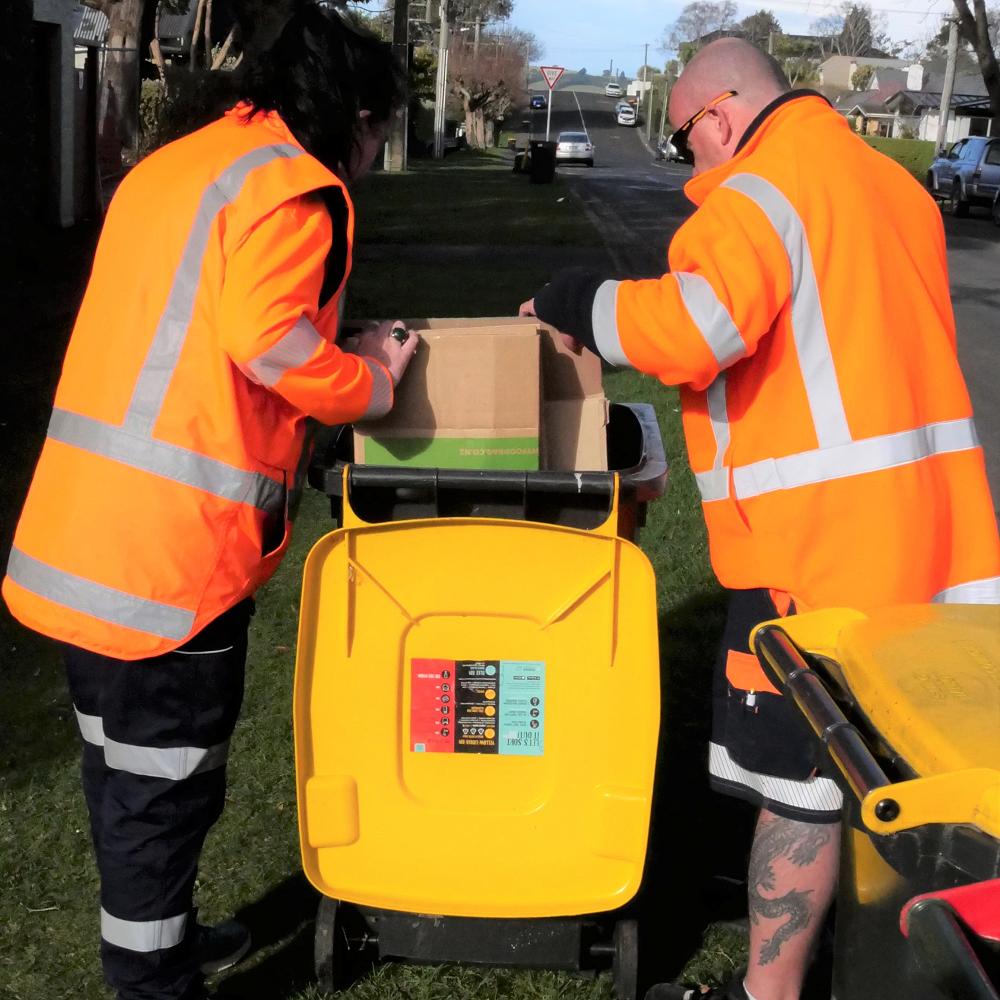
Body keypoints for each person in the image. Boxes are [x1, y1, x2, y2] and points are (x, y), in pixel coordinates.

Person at [521, 38, 999, 1000]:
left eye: (684, 137)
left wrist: (578, 300)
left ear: (723, 113)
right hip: (936, 537)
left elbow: (694, 327)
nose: (688, 160)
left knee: (800, 784)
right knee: (900, 774)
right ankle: (892, 960)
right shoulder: (891, 185)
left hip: (813, 557)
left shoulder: (759, 191)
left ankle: (767, 993)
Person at [2, 7, 417, 1000]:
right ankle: (153, 979)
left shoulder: (180, 165)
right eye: (377, 132)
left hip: (81, 533)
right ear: (355, 114)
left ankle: (161, 945)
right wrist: (373, 383)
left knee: (121, 774)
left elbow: (196, 327)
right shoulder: (294, 189)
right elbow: (266, 340)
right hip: (171, 565)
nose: (371, 155)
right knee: (163, 794)